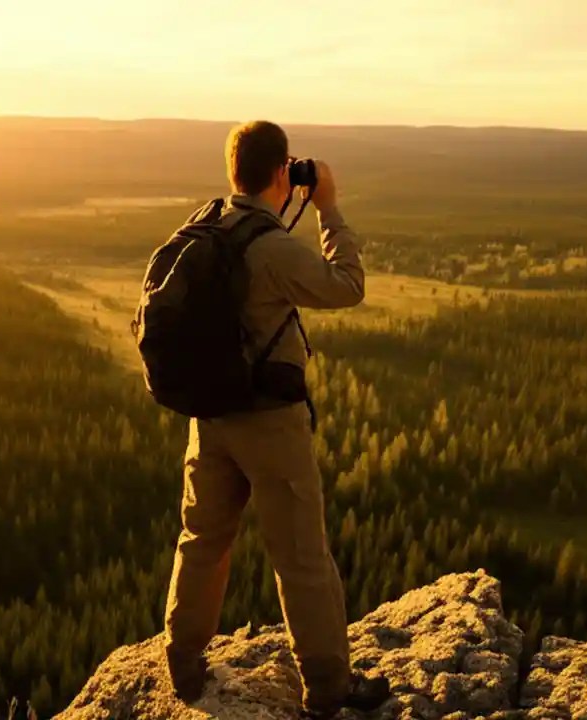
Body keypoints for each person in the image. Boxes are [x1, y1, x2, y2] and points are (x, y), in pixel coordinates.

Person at [162, 120, 389, 718]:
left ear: (233, 168)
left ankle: (183, 664)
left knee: (202, 541)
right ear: (283, 173)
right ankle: (327, 687)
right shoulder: (271, 247)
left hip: (208, 416)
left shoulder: (204, 225)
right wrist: (329, 210)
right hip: (269, 422)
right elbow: (348, 286)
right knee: (302, 557)